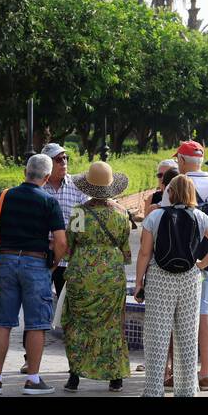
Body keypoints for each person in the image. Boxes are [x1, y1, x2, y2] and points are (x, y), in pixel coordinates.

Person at [0, 153, 67, 395]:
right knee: (37, 324)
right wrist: (52, 265)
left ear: (25, 172)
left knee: (3, 322)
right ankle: (32, 379)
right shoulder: (49, 202)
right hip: (36, 262)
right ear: (47, 177)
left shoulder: (4, 196)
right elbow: (60, 242)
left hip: (7, 261)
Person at [137, 175, 208, 397]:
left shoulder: (155, 216)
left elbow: (145, 252)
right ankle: (187, 390)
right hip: (189, 278)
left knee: (157, 335)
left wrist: (139, 281)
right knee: (187, 336)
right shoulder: (200, 216)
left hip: (160, 277)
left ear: (170, 193)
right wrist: (202, 265)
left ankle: (153, 390)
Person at [62, 161, 132, 393]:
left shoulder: (80, 212)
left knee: (77, 324)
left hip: (81, 274)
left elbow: (70, 244)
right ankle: (115, 378)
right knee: (113, 325)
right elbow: (125, 248)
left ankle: (74, 377)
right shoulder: (122, 213)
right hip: (111, 274)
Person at [40, 143, 86, 299]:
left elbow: (80, 224)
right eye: (58, 159)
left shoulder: (77, 186)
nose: (64, 162)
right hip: (42, 256)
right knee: (39, 303)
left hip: (69, 259)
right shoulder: (38, 188)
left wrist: (65, 242)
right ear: (47, 163)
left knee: (67, 306)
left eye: (65, 158)